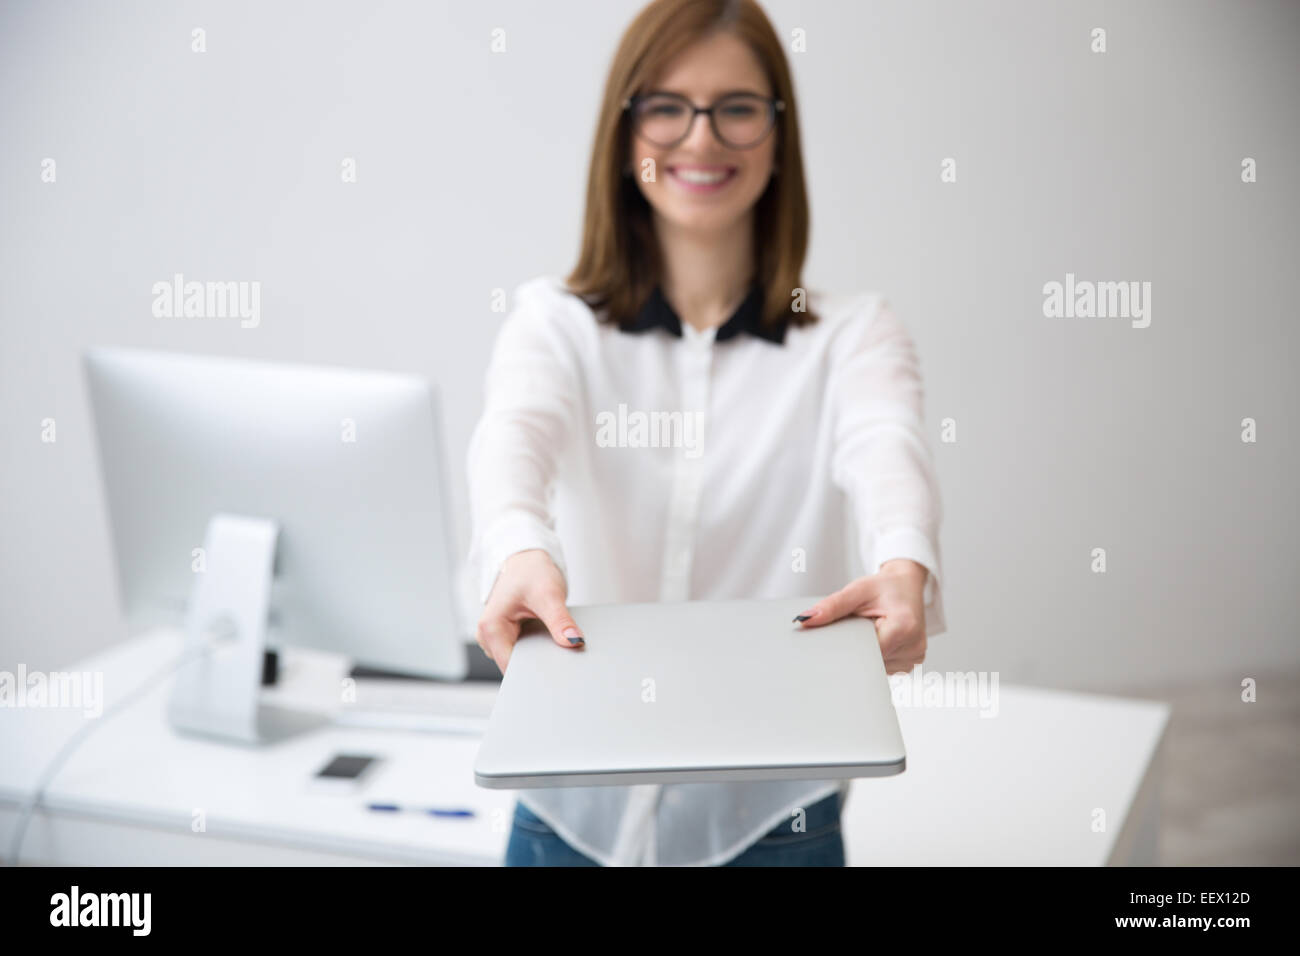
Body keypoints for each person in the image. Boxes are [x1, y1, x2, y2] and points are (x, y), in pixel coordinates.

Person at [466, 0, 945, 867]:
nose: (702, 138)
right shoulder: (553, 323)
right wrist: (516, 549)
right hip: (570, 804)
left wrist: (904, 561)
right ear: (624, 131)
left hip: (776, 816)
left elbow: (887, 449)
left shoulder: (852, 332)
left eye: (737, 106)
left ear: (777, 131)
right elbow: (513, 440)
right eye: (667, 105)